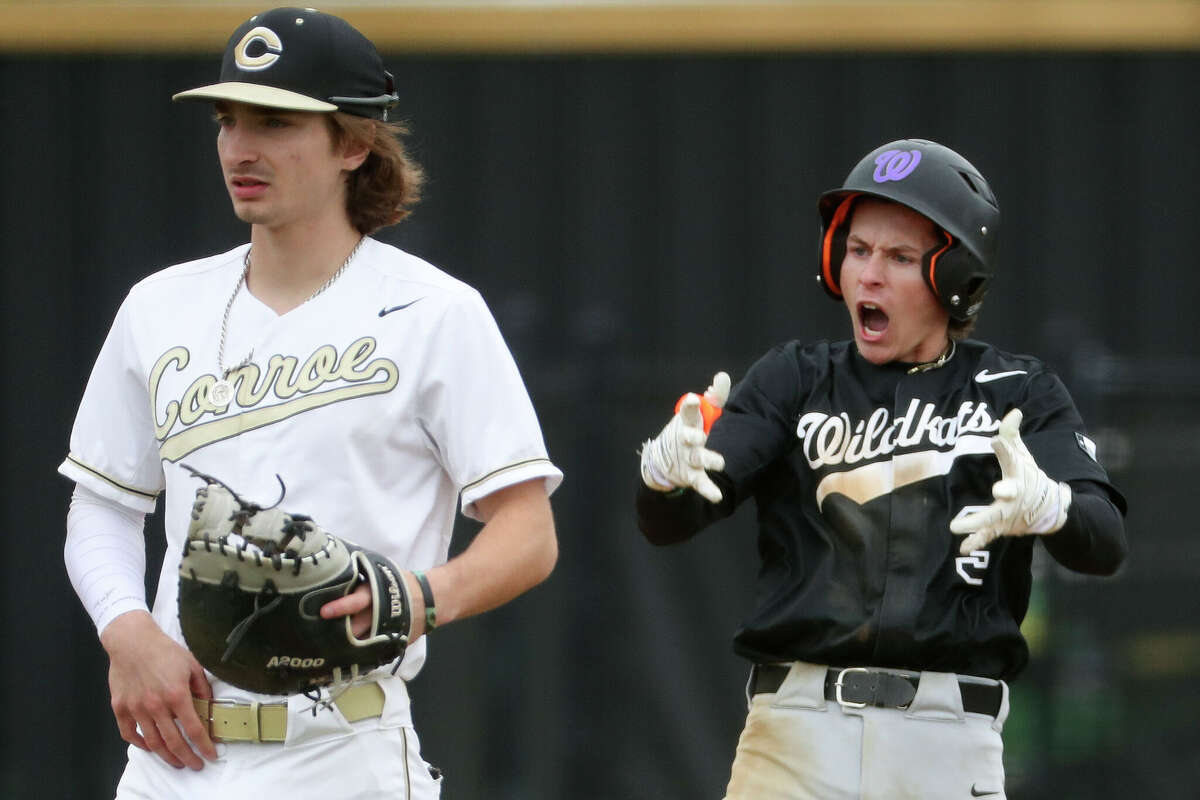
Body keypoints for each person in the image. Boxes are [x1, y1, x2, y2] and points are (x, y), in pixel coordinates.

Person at [59, 8, 561, 799]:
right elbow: (102, 507)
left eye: (275, 121)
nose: (240, 148)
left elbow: (529, 533)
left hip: (343, 751)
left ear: (354, 144)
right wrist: (125, 628)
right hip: (173, 763)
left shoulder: (434, 312)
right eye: (228, 120)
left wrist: (423, 597)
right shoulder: (159, 306)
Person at [636, 138, 1128, 800]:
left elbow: (1104, 540)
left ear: (958, 277)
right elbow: (673, 519)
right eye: (858, 249)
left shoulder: (1017, 391)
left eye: (899, 257)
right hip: (794, 737)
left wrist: (1053, 507)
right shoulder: (795, 378)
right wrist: (664, 477)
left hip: (948, 743)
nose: (868, 275)